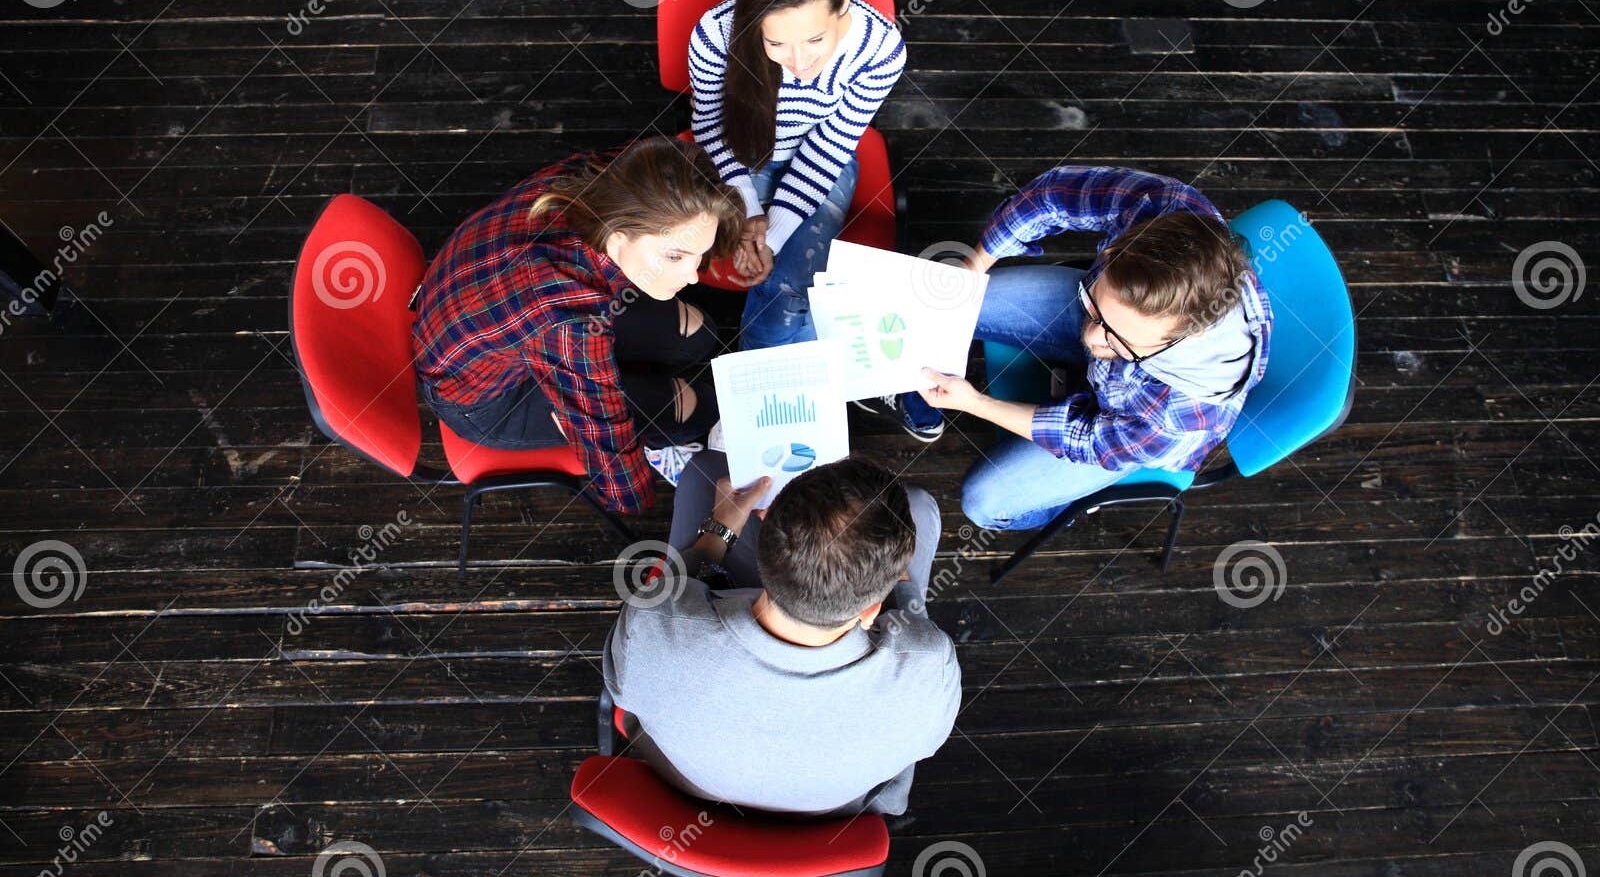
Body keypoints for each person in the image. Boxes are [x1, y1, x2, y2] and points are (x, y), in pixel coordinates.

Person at [917, 165, 1273, 531]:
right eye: (1095, 308)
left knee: (983, 502)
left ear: (1183, 336)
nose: (1090, 337)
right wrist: (974, 266)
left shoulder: (1179, 419)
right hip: (1121, 347)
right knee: (953, 303)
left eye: (1118, 338)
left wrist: (976, 403)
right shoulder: (1167, 211)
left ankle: (1065, 508)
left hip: (1119, 431)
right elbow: (1051, 195)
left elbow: (1085, 438)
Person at [603, 455, 961, 818]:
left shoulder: (653, 624)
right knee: (920, 507)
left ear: (760, 551)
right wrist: (891, 577)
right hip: (831, 813)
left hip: (692, 787)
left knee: (703, 471)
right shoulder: (928, 667)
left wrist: (718, 532)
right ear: (872, 612)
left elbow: (633, 665)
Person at [687, 0, 943, 441]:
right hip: (739, 154)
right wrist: (747, 207)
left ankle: (753, 410)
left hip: (819, 158)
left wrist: (771, 235)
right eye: (775, 43)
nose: (798, 63)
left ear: (844, 4)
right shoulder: (716, 33)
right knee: (791, 294)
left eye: (814, 41)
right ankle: (862, 374)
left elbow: (831, 145)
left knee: (785, 290)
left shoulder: (881, 47)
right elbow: (713, 128)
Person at [412, 137, 752, 511]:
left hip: (491, 308)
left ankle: (639, 383)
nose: (691, 275)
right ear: (619, 237)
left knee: (698, 331)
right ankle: (661, 441)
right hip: (487, 399)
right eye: (675, 256)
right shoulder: (563, 312)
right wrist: (635, 498)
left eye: (698, 255)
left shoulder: (618, 176)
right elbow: (602, 432)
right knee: (690, 407)